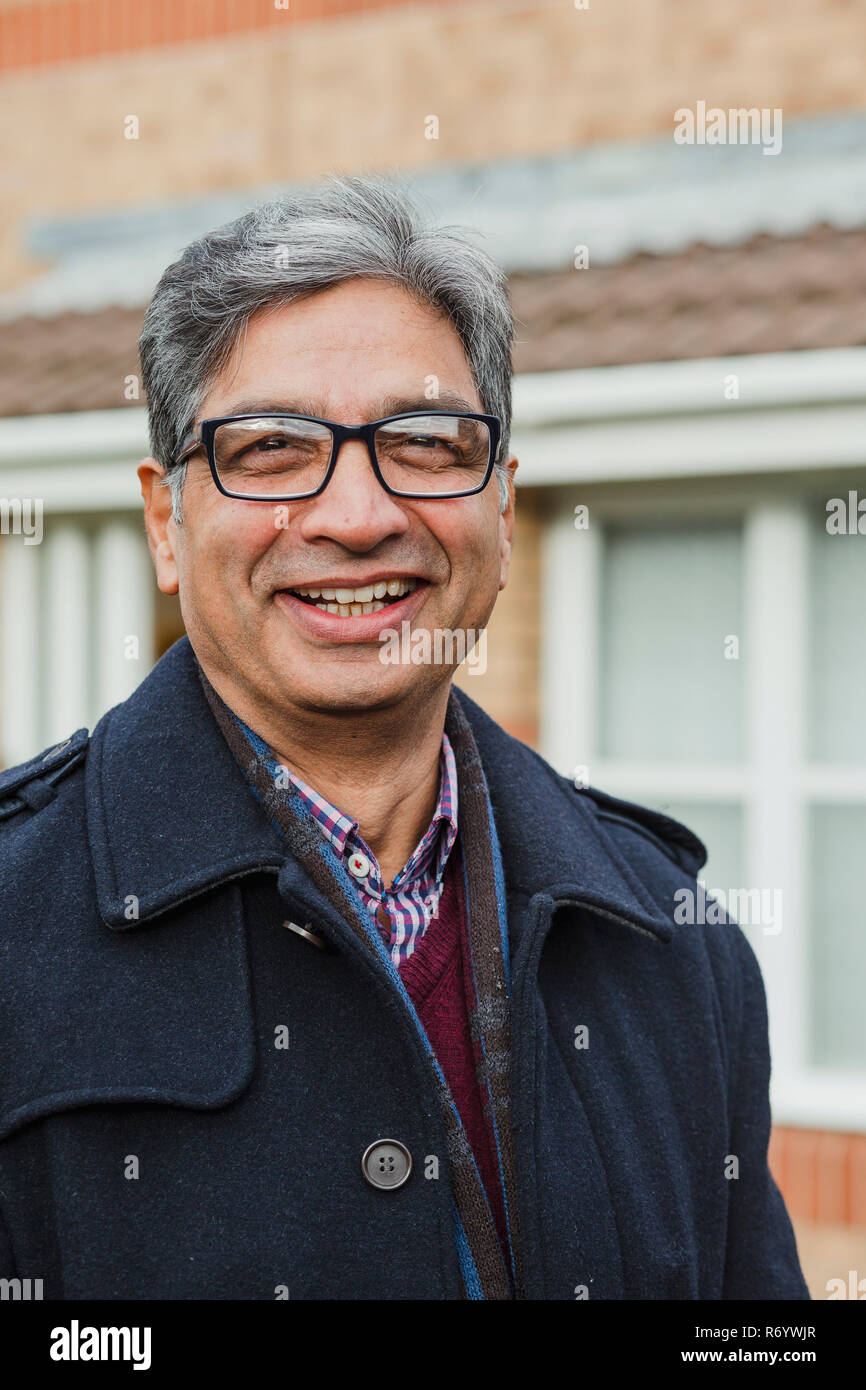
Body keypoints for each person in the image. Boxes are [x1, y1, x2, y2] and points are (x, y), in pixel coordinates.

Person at [0, 176, 808, 1300]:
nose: (356, 513)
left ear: (500, 513)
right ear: (163, 522)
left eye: (424, 441)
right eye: (272, 446)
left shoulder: (675, 948)